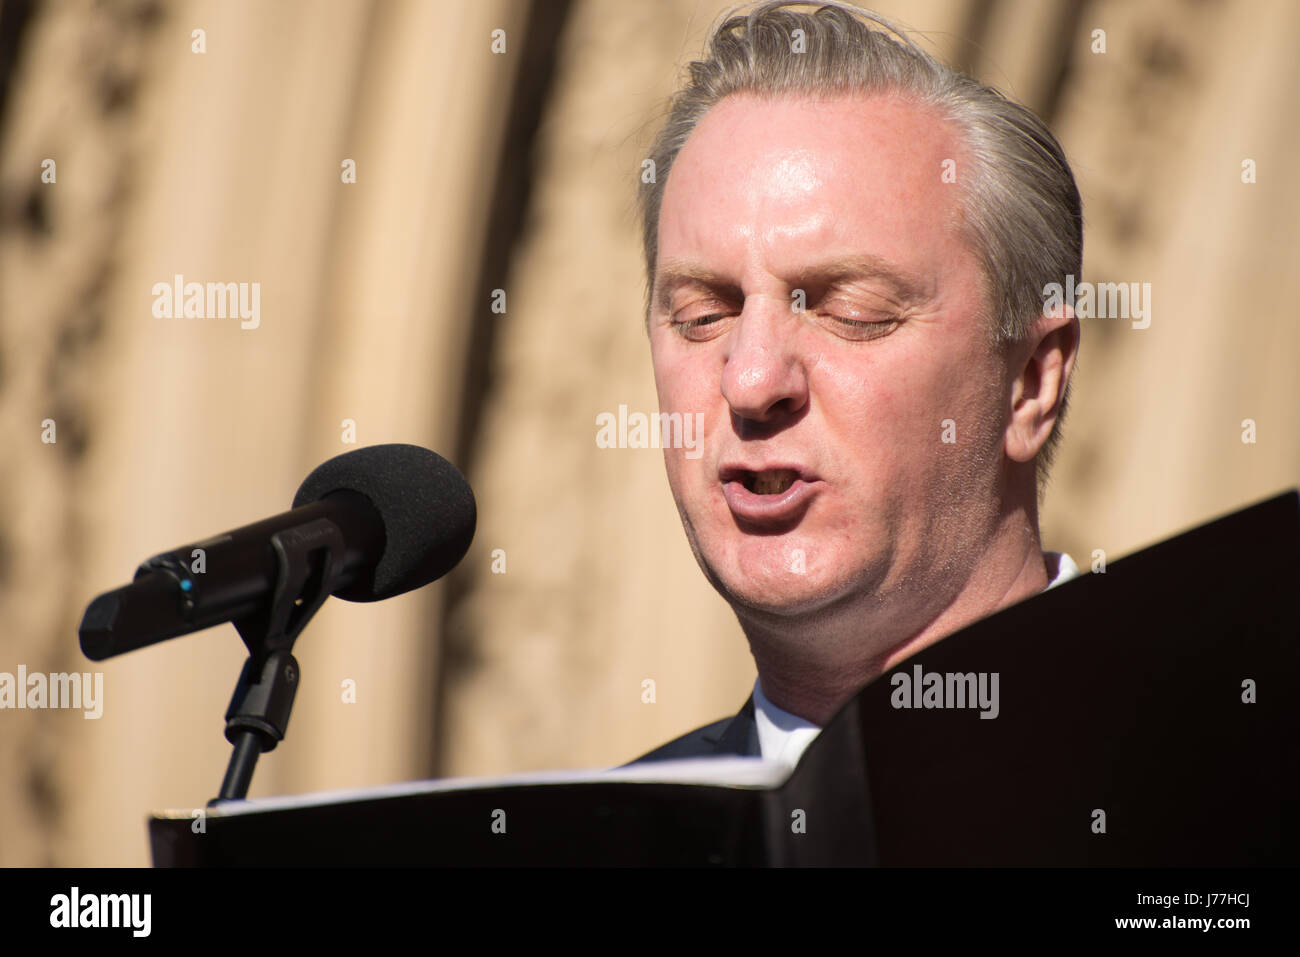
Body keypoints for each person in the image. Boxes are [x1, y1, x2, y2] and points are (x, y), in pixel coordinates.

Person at [627, 0, 1082, 767]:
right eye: (704, 315)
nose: (752, 378)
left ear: (1031, 382)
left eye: (853, 311)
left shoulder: (1236, 784)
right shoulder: (592, 839)